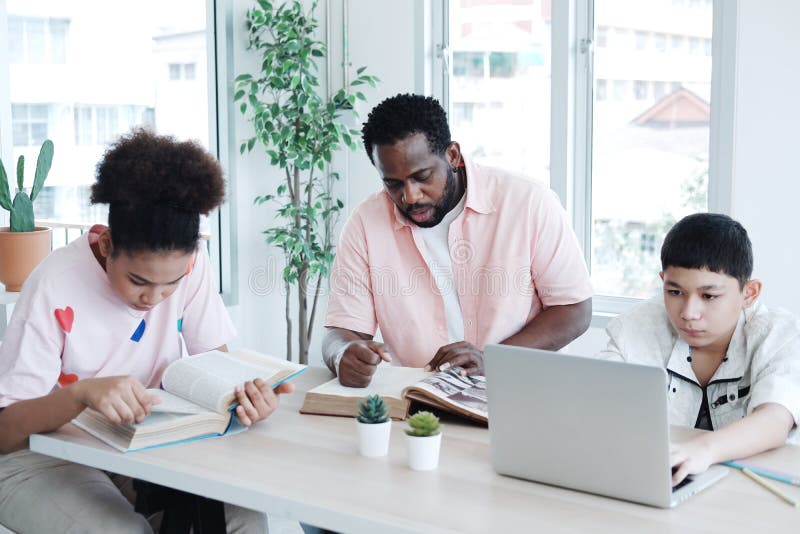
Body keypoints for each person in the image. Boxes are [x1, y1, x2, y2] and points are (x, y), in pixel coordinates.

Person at [0, 130, 292, 533]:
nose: (154, 298)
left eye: (172, 282)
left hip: (140, 449)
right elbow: (6, 432)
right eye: (138, 280)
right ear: (106, 245)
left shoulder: (192, 266)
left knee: (245, 521)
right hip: (39, 457)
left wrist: (245, 400)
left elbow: (217, 367)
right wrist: (81, 396)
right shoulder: (53, 284)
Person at [323, 93, 593, 387]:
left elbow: (574, 310)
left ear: (452, 155)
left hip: (521, 395)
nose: (410, 196)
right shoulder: (365, 222)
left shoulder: (528, 202)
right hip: (418, 406)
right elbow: (341, 332)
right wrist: (342, 354)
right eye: (393, 183)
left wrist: (493, 360)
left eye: (422, 176)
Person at [598, 213, 800, 486]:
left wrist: (703, 450)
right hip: (658, 482)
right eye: (675, 292)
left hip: (756, 487)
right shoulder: (637, 325)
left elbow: (774, 420)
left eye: (709, 296)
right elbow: (596, 400)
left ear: (749, 293)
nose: (689, 313)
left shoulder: (780, 334)